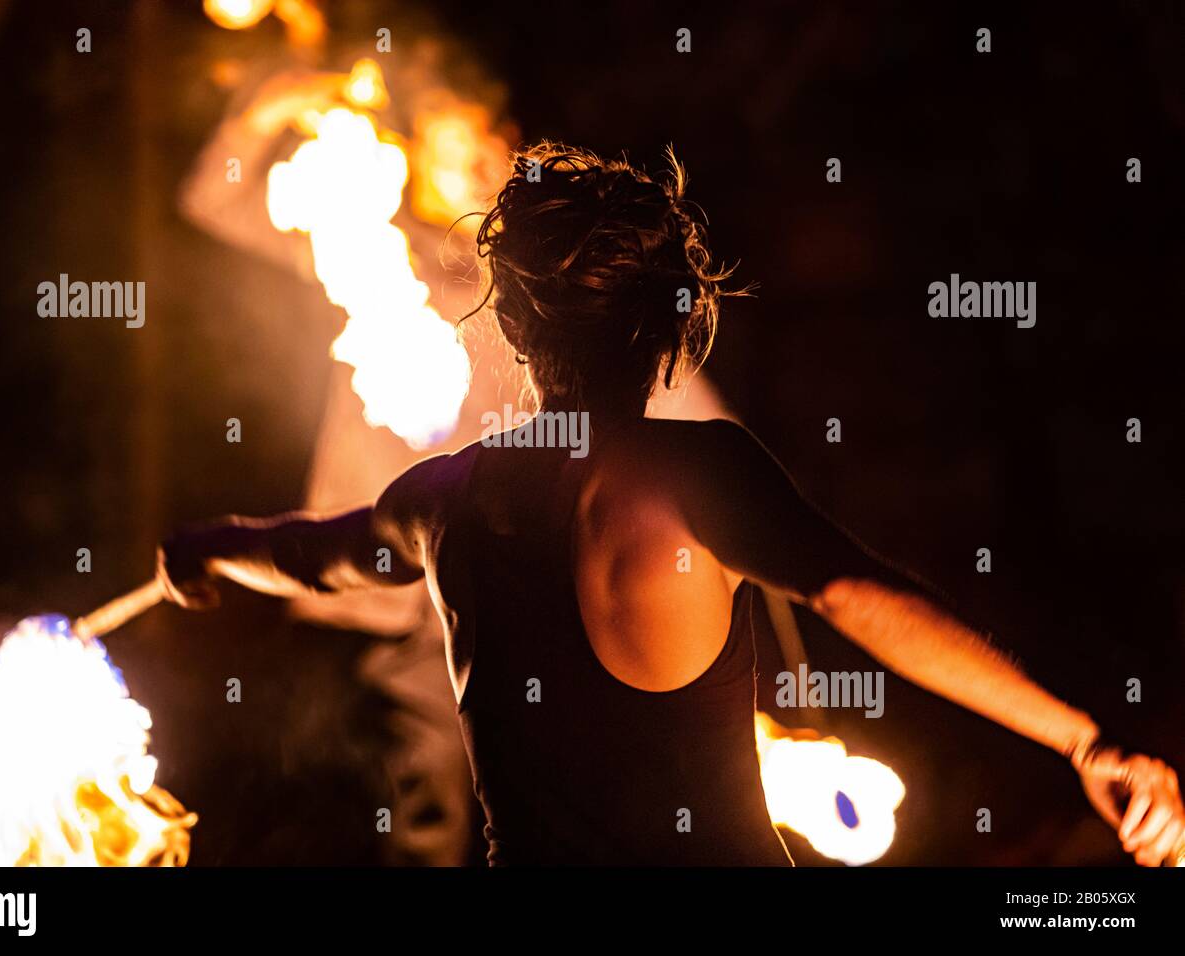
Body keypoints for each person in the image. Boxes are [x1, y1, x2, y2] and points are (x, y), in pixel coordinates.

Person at [158, 144, 1184, 866]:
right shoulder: (697, 473)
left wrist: (209, 550)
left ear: (509, 326)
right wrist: (1084, 740)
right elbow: (855, 593)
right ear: (673, 323)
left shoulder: (438, 501)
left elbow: (303, 554)